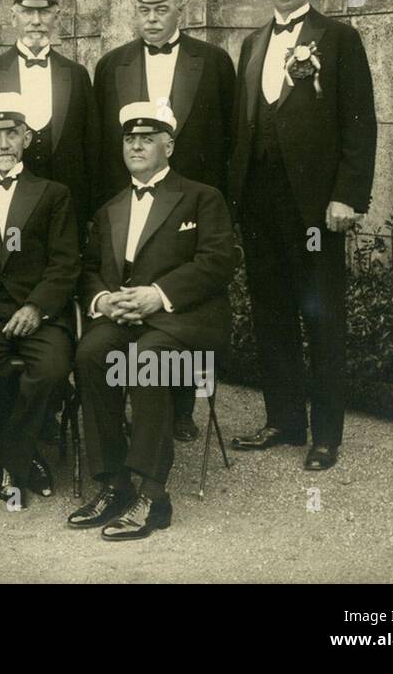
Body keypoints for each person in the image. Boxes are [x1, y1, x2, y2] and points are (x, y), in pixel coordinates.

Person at [228, 0, 376, 472]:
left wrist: (347, 197)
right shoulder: (250, 44)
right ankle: (284, 420)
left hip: (315, 207)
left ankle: (326, 435)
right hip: (259, 201)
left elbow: (360, 126)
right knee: (271, 313)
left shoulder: (338, 39)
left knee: (322, 316)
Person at [69, 102, 235, 540]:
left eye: (147, 137)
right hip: (125, 320)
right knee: (91, 353)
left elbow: (219, 262)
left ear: (170, 145)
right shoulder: (111, 207)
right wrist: (103, 301)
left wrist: (157, 296)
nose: (137, 145)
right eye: (129, 139)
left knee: (147, 358)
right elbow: (88, 269)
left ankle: (154, 494)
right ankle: (114, 484)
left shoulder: (202, 197)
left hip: (186, 324)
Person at [93, 0, 235, 442]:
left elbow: (228, 138)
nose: (151, 19)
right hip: (131, 204)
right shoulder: (111, 64)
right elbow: (102, 142)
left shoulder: (212, 61)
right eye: (143, 10)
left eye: (161, 9)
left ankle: (179, 410)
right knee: (131, 311)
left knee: (174, 305)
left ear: (181, 9)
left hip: (192, 210)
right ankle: (133, 414)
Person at [0, 93, 80, 506]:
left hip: (38, 313)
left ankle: (9, 457)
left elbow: (65, 263)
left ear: (27, 138)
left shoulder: (54, 193)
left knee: (50, 371)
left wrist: (37, 306)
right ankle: (24, 452)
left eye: (13, 134)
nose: (4, 143)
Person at [0, 0, 100, 234]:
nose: (36, 22)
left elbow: (92, 149)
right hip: (5, 207)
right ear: (13, 16)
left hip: (66, 211)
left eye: (45, 12)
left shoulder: (76, 74)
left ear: (58, 17)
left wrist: (90, 214)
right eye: (28, 12)